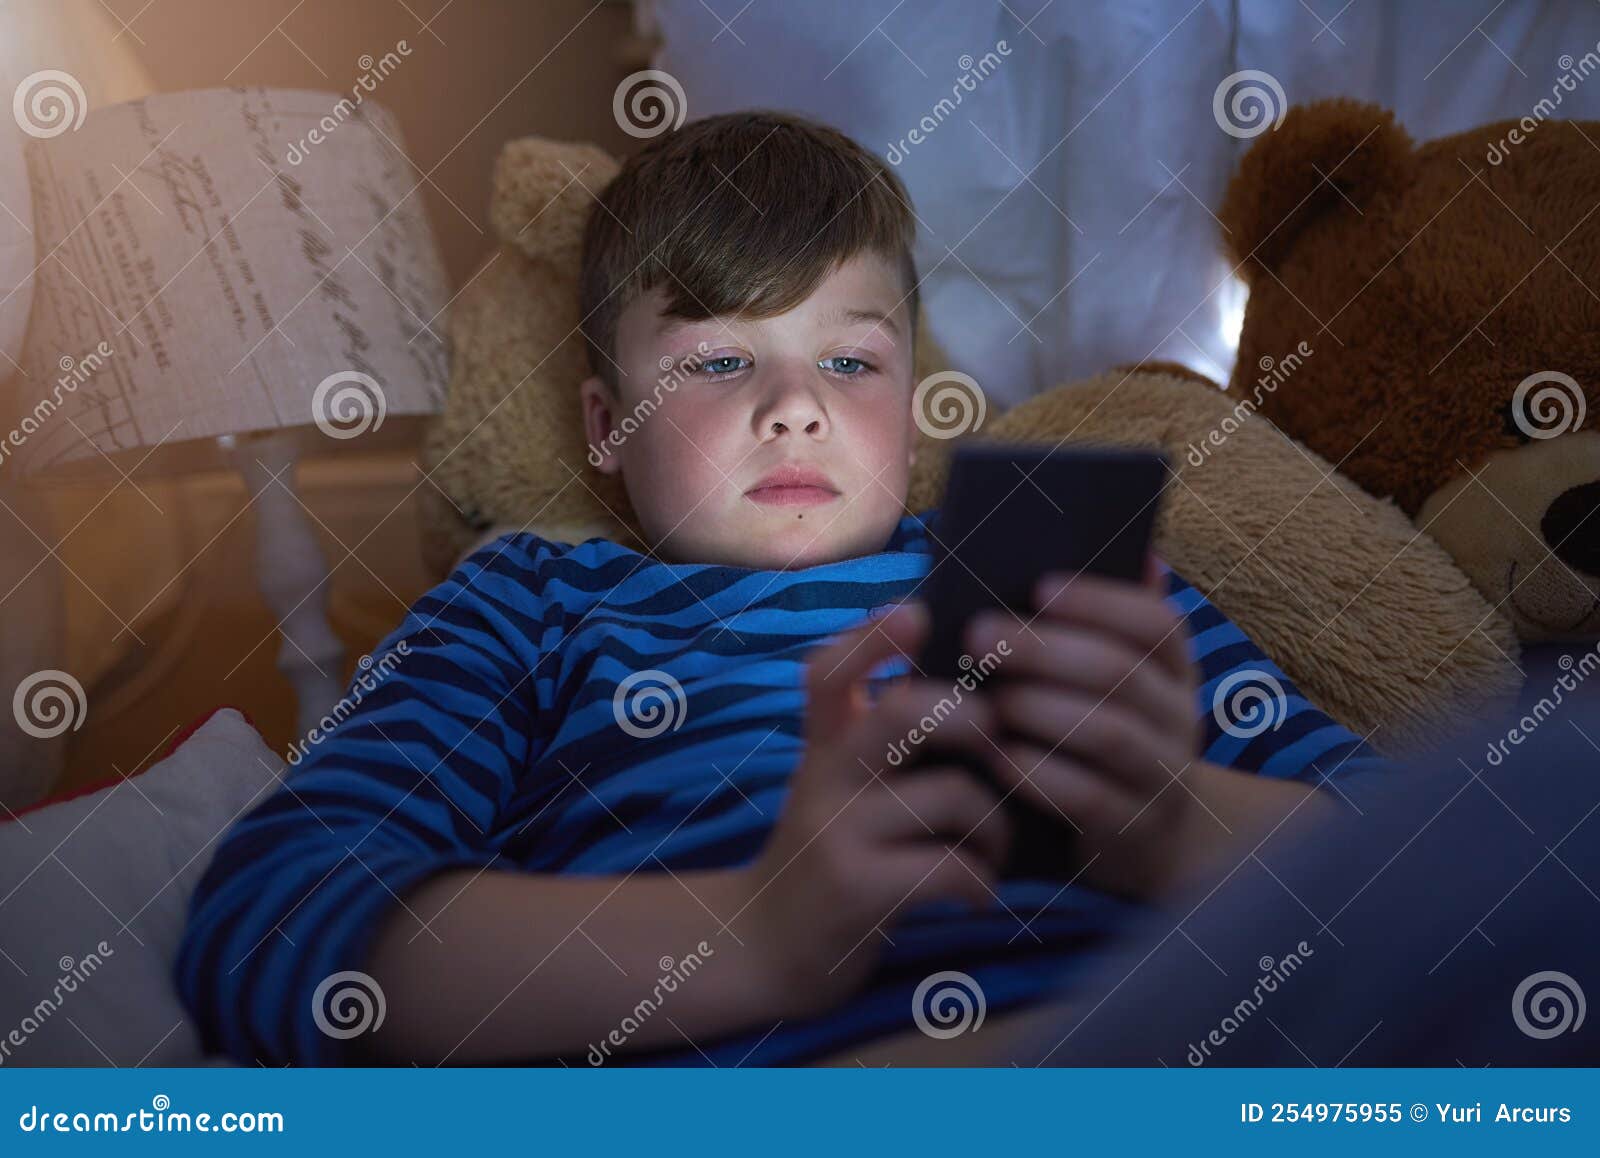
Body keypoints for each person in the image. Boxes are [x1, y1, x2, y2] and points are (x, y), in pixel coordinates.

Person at [174, 111, 1388, 1066]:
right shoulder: (527, 604)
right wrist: (759, 929)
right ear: (606, 426)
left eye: (850, 359)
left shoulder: (1069, 587)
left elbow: (1433, 854)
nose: (795, 403)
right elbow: (276, 922)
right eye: (716, 360)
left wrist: (1173, 821)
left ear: (913, 406)